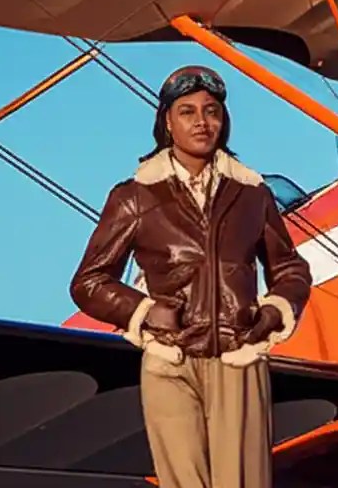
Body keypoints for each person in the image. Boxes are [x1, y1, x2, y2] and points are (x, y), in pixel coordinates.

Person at [70, 64, 312, 488]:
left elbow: (290, 269)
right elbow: (88, 282)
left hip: (238, 361)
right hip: (170, 361)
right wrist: (146, 312)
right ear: (167, 121)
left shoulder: (253, 195)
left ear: (224, 120)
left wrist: (272, 314)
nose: (202, 121)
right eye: (187, 111)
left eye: (212, 110)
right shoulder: (135, 197)